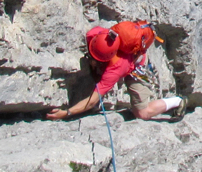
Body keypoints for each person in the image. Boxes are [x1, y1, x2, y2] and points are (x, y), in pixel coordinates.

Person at [47, 20, 185, 121]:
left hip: (136, 66)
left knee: (142, 113)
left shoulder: (116, 68)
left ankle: (178, 101)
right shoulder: (98, 35)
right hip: (124, 57)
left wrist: (67, 113)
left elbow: (92, 101)